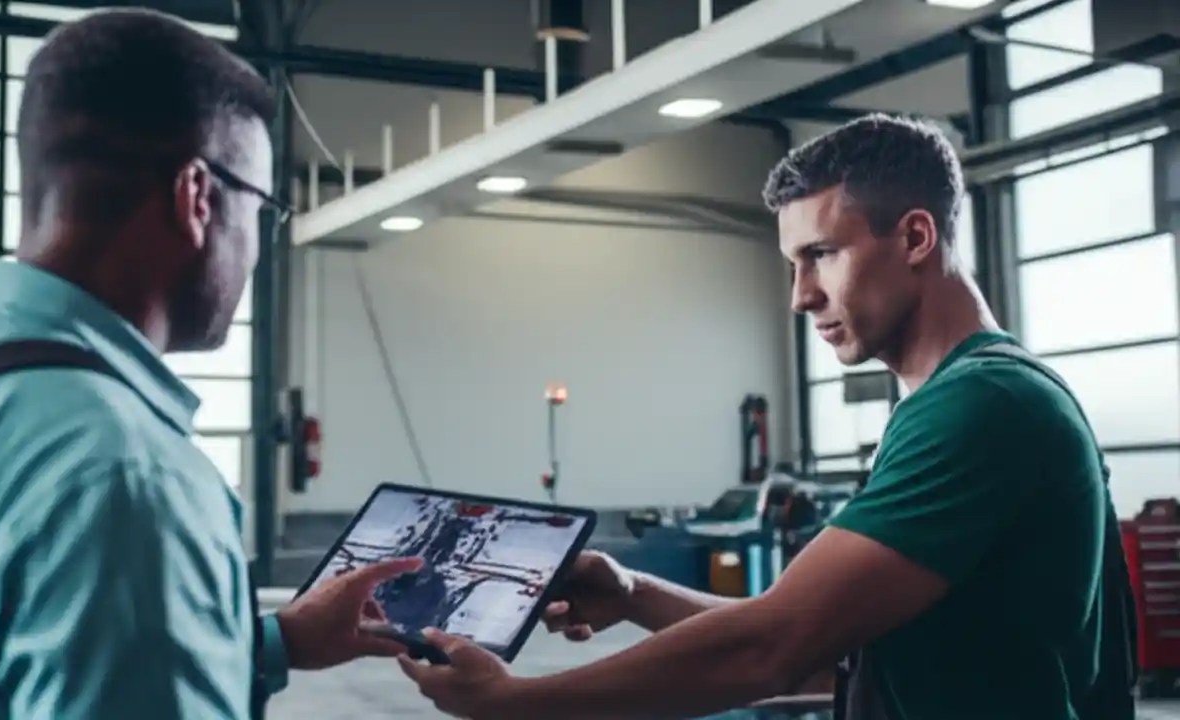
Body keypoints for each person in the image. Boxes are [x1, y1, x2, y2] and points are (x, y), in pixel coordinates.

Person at [399, 114, 1128, 718]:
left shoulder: (984, 404)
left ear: (915, 238)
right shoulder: (955, 401)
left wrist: (515, 703)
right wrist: (634, 593)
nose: (801, 296)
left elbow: (770, 647)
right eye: (793, 264)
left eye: (822, 254)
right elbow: (826, 654)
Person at [0, 10, 420, 719]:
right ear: (197, 197)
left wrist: (271, 643)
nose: (256, 248)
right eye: (262, 210)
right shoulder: (128, 479)